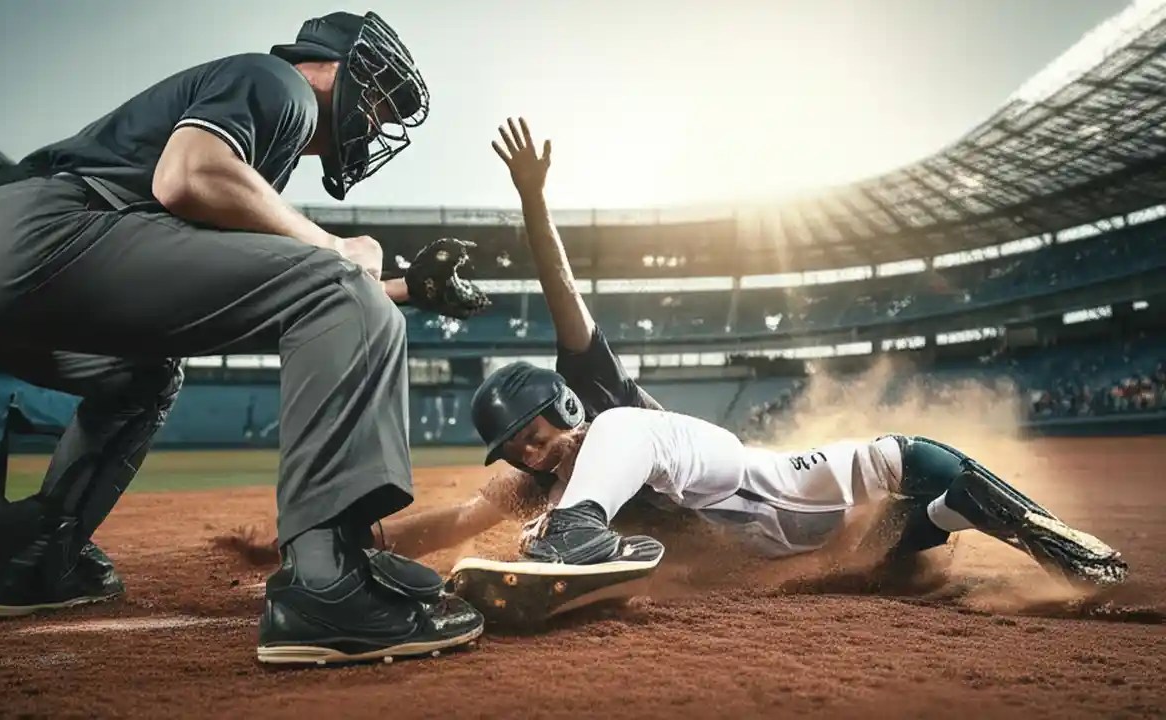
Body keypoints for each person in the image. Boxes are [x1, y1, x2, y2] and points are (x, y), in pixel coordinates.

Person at [374, 117, 1129, 621]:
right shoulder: (525, 485)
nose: (534, 453)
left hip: (784, 490)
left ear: (564, 409)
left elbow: (562, 292)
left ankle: (1056, 540)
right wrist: (349, 544)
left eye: (537, 434)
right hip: (833, 550)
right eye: (519, 449)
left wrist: (533, 200)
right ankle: (971, 515)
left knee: (635, 426)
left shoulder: (603, 409)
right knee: (912, 538)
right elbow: (453, 523)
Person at [0, 12, 487, 666]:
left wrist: (411, 290)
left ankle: (37, 560)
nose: (383, 120)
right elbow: (187, 177)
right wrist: (337, 249)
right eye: (383, 96)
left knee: (144, 378)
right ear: (328, 65)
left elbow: (272, 284)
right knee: (335, 285)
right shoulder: (279, 84)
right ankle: (327, 587)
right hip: (40, 235)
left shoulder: (255, 160)